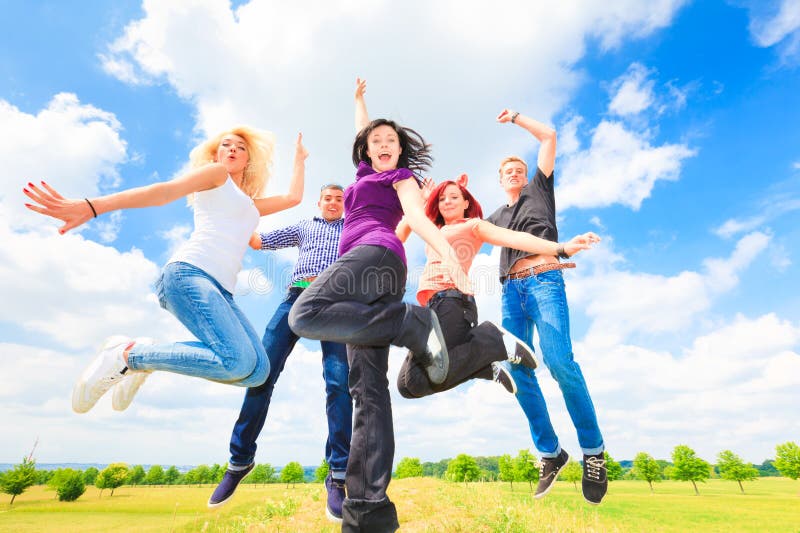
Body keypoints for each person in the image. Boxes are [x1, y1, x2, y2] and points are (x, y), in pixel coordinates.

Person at [288, 78, 468, 532]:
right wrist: (358, 101)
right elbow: (364, 130)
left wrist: (447, 253)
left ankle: (410, 322)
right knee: (366, 395)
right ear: (366, 151)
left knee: (303, 314)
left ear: (399, 151)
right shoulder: (364, 174)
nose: (383, 144)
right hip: (364, 293)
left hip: (377, 256)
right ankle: (367, 513)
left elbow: (412, 215)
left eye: (391, 140)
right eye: (375, 141)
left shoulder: (399, 176)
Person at [23, 127, 306, 415]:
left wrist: (300, 159)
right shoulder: (216, 175)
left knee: (257, 371)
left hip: (222, 290)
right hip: (190, 274)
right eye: (226, 145)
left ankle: (143, 354)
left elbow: (293, 198)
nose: (232, 149)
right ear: (216, 153)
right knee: (237, 362)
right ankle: (128, 356)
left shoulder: (251, 205)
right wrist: (94, 206)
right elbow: (164, 192)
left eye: (240, 147)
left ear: (248, 160)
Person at [208, 184, 353, 524]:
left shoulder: (353, 228)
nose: (333, 203)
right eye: (328, 198)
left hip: (336, 303)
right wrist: (234, 214)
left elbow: (383, 238)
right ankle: (239, 460)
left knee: (339, 384)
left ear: (346, 205)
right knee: (261, 373)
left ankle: (338, 474)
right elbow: (259, 241)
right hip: (296, 298)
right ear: (320, 203)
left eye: (339, 199)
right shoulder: (304, 226)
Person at [486, 109, 608, 504]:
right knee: (516, 367)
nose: (515, 173)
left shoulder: (540, 189)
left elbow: (550, 137)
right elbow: (457, 226)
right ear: (499, 180)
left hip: (544, 282)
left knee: (559, 362)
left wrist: (517, 118)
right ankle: (551, 452)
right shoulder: (495, 217)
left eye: (519, 168)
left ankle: (593, 452)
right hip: (510, 292)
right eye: (508, 170)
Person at [395, 176, 599, 398]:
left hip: (452, 303)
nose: (447, 201)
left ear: (466, 203)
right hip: (431, 307)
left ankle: (493, 340)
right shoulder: (435, 229)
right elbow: (403, 231)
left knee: (416, 382)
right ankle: (481, 366)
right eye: (442, 198)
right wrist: (422, 200)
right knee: (404, 385)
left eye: (454, 197)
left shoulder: (473, 225)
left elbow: (513, 238)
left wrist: (560, 249)